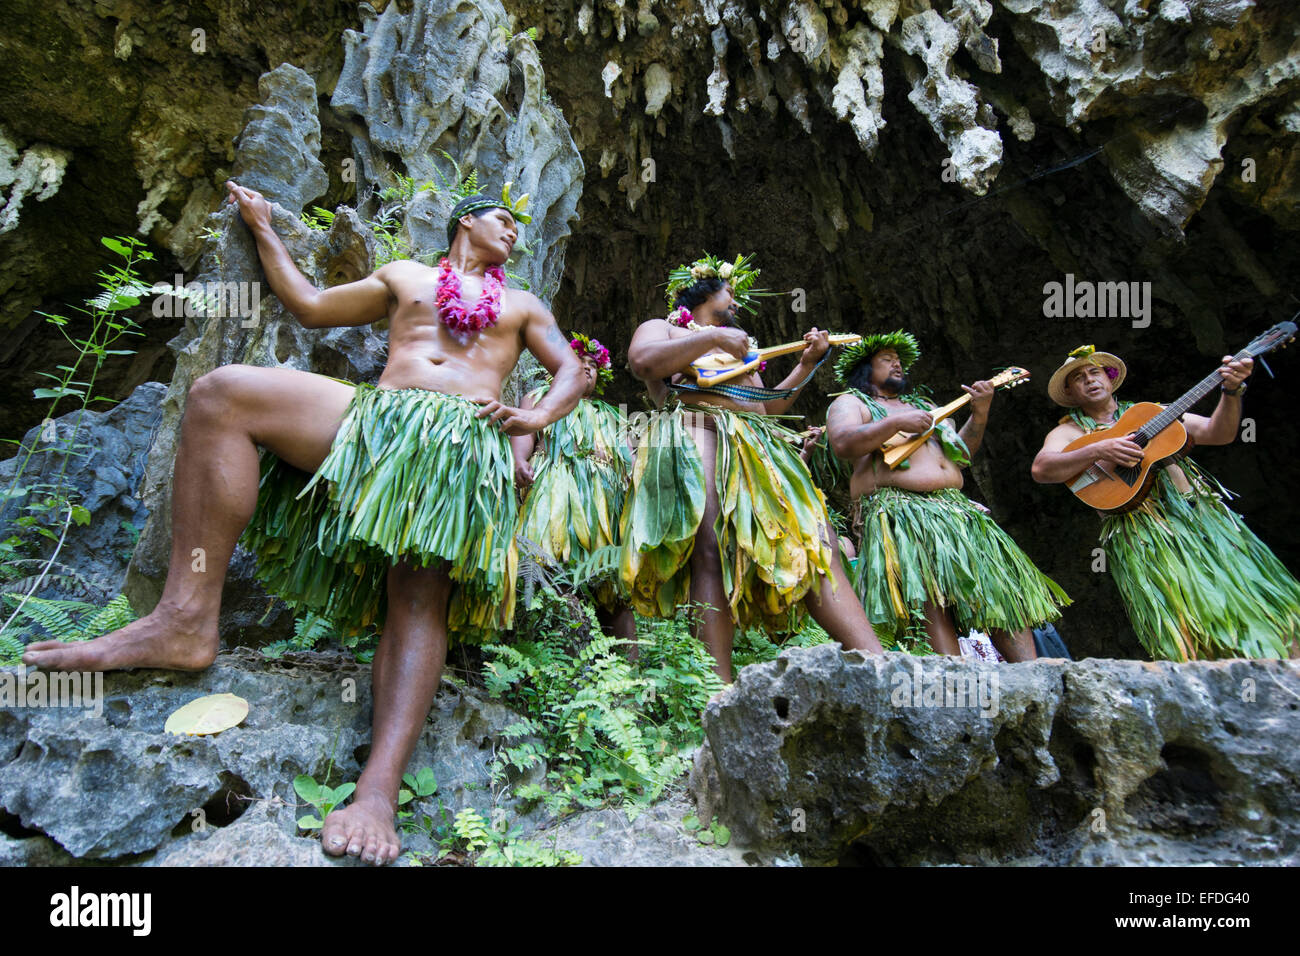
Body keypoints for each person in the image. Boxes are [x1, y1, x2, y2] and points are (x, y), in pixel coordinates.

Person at [22, 180, 587, 865]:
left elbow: (572, 368)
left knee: (416, 591)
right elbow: (313, 307)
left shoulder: (523, 304)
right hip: (377, 421)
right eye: (502, 220)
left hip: (462, 443)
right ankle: (183, 619)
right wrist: (265, 230)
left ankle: (378, 790)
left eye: (518, 227)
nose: (513, 233)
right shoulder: (404, 276)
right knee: (223, 394)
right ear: (464, 223)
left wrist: (536, 417)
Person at [621, 253, 882, 681]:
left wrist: (806, 362)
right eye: (731, 293)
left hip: (755, 441)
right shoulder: (664, 328)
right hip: (696, 428)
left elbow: (768, 406)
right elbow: (643, 363)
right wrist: (713, 341)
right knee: (709, 548)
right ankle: (717, 691)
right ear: (703, 290)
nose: (737, 303)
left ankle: (879, 663)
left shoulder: (743, 347)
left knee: (821, 543)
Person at [1031, 344, 1300, 660]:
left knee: (1255, 595)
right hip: (1145, 536)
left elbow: (1220, 432)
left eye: (1095, 372)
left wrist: (1231, 391)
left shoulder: (1153, 412)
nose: (1090, 380)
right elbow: (1042, 468)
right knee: (1189, 612)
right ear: (1070, 393)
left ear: (1110, 378)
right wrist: (1098, 450)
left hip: (1201, 521)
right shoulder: (1069, 431)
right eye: (1078, 378)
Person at [824, 330, 1066, 660]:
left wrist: (979, 412)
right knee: (930, 598)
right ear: (865, 368)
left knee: (996, 589)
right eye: (886, 359)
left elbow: (960, 455)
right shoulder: (851, 403)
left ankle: (1033, 677)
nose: (897, 364)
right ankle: (954, 681)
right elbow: (842, 442)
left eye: (899, 360)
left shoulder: (925, 407)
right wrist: (895, 424)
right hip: (902, 511)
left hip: (954, 509)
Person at [512, 333, 636, 644]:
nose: (586, 368)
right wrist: (519, 460)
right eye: (578, 362)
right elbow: (524, 432)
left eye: (593, 365)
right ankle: (557, 650)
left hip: (605, 502)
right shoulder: (539, 398)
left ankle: (628, 665)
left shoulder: (612, 414)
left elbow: (630, 459)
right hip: (554, 494)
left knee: (612, 582)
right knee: (552, 563)